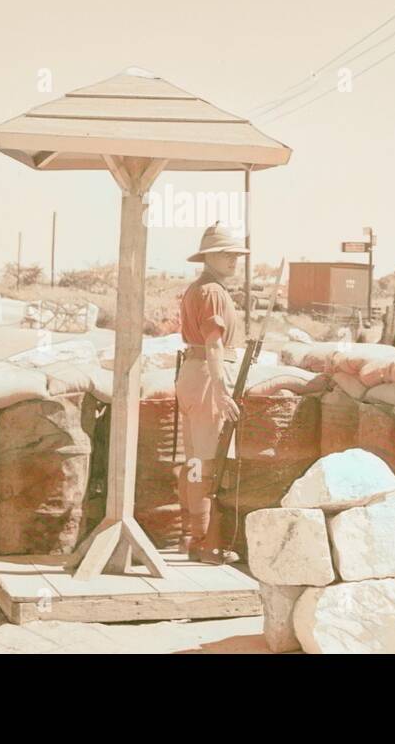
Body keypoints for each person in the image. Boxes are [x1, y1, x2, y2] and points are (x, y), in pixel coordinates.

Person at [175, 222, 247, 564]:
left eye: (236, 254)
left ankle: (189, 535)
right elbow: (214, 343)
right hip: (207, 373)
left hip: (192, 372)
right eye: (226, 254)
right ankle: (206, 543)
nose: (234, 260)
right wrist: (221, 390)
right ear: (209, 257)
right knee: (206, 463)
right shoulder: (214, 292)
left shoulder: (197, 288)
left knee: (193, 460)